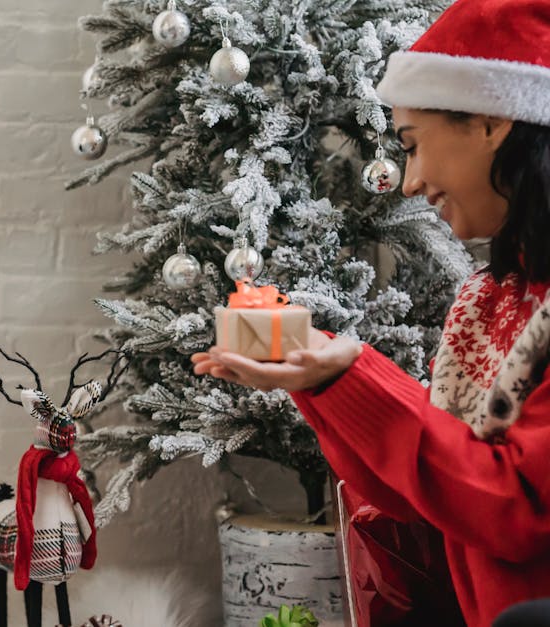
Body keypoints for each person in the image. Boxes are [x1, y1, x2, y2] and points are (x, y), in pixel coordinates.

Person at [191, 0, 550, 625]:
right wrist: (327, 381)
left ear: (492, 121)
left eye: (413, 145)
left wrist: (351, 374)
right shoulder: (493, 300)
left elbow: (515, 508)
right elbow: (424, 495)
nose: (410, 180)